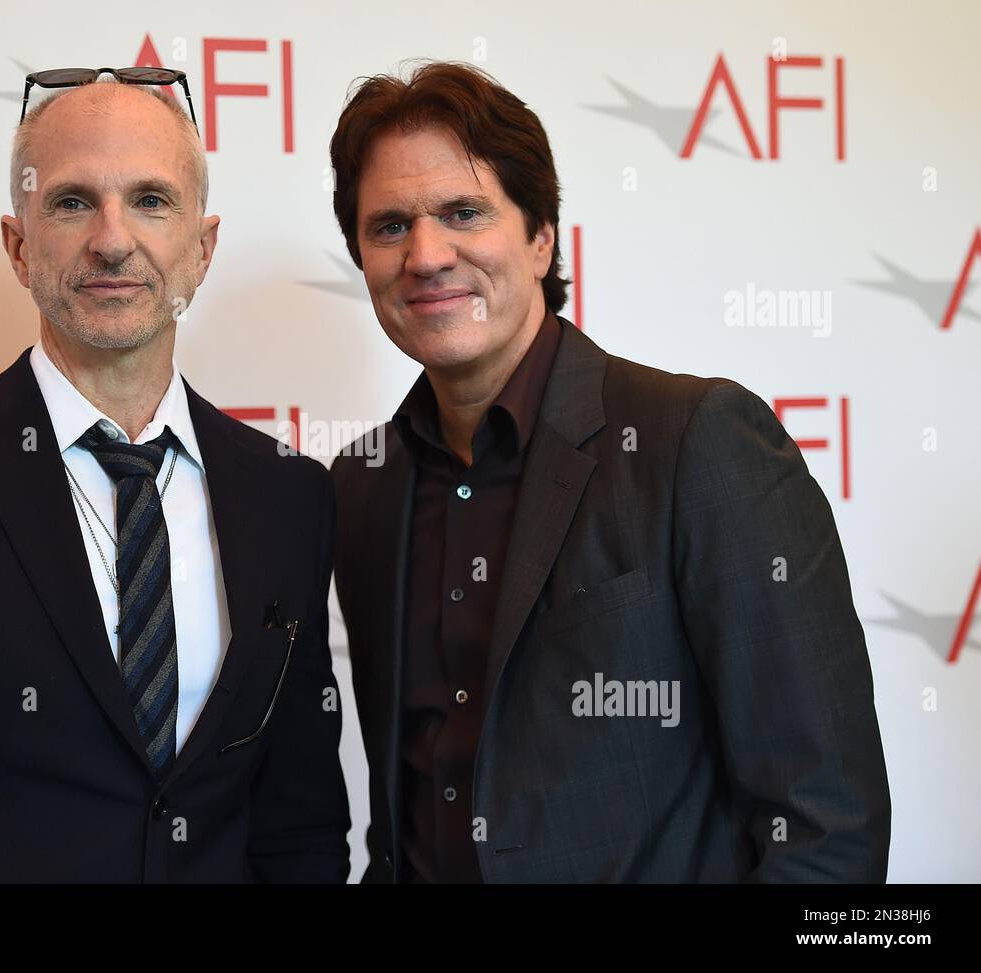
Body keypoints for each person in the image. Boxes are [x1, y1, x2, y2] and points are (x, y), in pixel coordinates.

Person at [0, 73, 349, 883]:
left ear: (203, 247)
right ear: (17, 246)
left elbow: (301, 825)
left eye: (151, 200)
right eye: (73, 202)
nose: (113, 240)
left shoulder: (287, 494)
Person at [328, 61, 890, 883]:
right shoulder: (362, 484)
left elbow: (826, 824)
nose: (425, 254)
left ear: (542, 235)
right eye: (389, 227)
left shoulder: (698, 441)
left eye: (463, 212)